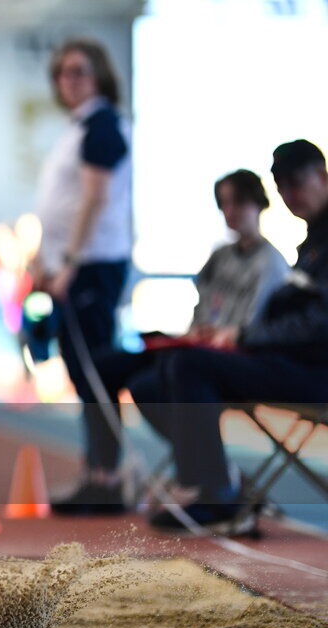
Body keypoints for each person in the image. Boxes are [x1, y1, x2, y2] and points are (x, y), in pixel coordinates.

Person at [53, 169, 290, 515]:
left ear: (258, 202)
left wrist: (214, 336)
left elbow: (249, 327)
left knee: (150, 383)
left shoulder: (271, 262)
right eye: (224, 204)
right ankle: (105, 474)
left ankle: (211, 474)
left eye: (238, 202)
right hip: (192, 345)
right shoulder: (219, 257)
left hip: (227, 356)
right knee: (103, 366)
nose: (231, 212)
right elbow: (201, 311)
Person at [141, 139, 328, 534]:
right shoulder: (312, 241)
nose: (289, 194)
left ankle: (217, 494)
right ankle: (218, 480)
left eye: (295, 182)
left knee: (188, 363)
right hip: (292, 361)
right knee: (156, 371)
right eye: (281, 186)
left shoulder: (301, 249)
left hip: (313, 372)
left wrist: (244, 335)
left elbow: (316, 324)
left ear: (323, 177)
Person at [32, 38, 133, 510]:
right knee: (81, 371)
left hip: (91, 268)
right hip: (71, 267)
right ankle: (100, 472)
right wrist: (43, 257)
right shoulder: (78, 128)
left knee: (94, 374)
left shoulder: (103, 124)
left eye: (79, 71)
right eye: (62, 72)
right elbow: (62, 204)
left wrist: (69, 263)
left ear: (100, 76)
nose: (68, 80)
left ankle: (107, 478)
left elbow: (95, 199)